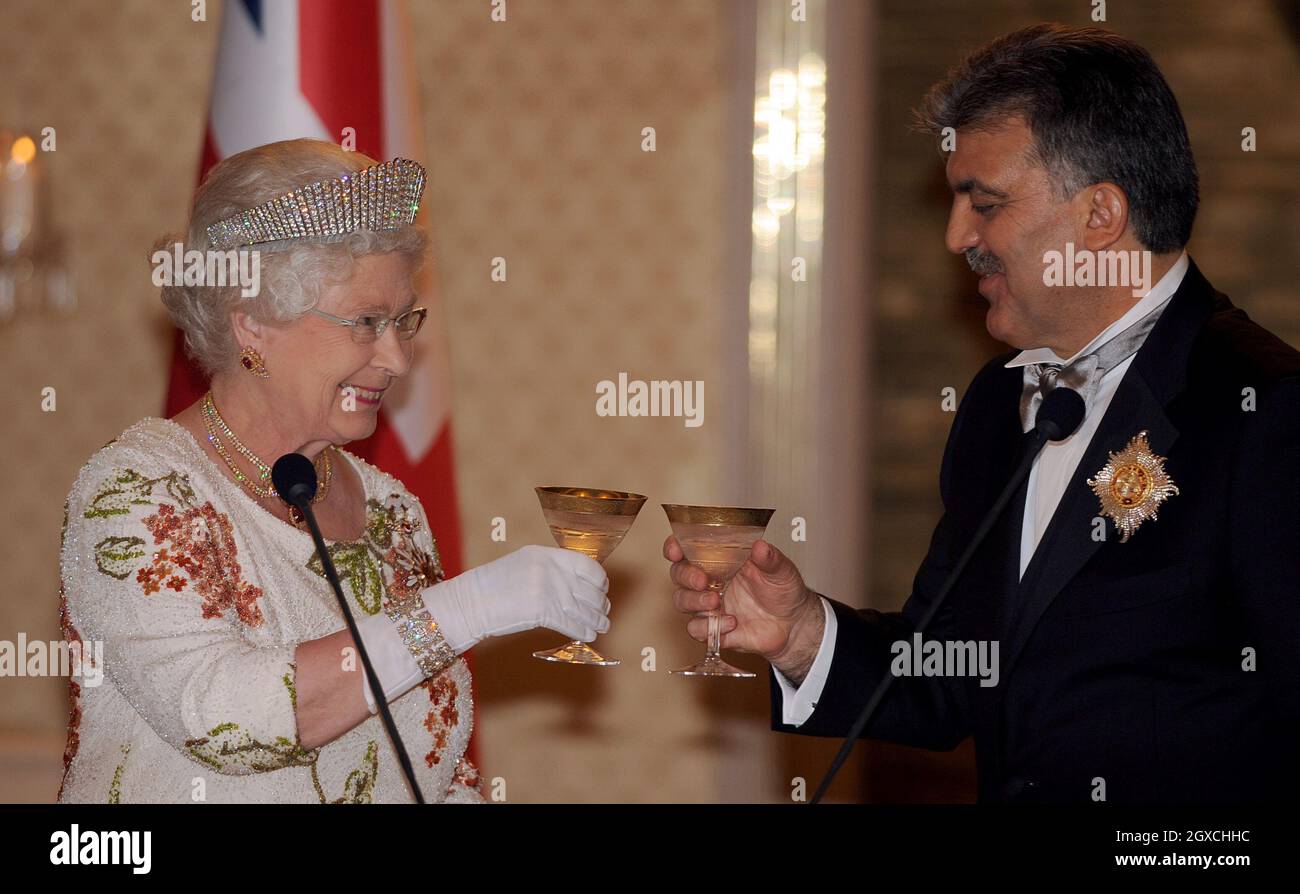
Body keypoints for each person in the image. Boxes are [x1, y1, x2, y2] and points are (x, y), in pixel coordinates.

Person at [665, 24, 1299, 804]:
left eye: (985, 203)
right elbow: (952, 671)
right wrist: (802, 634)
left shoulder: (1267, 410)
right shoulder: (1002, 404)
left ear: (1100, 215)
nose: (957, 236)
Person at [57, 138, 610, 803]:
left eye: (403, 321)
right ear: (253, 323)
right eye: (366, 322)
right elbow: (222, 720)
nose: (398, 360)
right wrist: (467, 607)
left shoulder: (390, 510)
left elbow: (436, 766)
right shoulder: (136, 492)